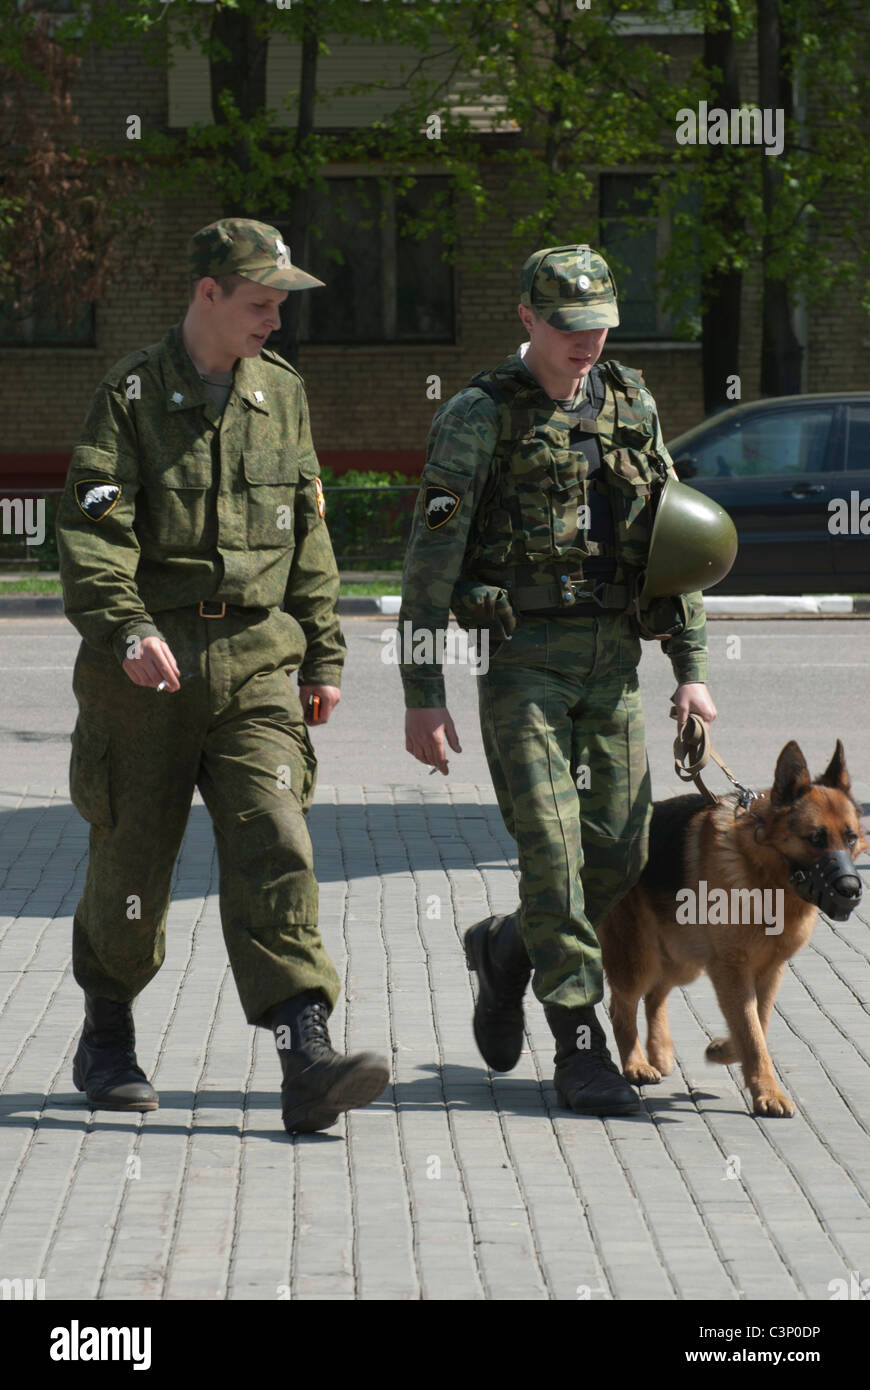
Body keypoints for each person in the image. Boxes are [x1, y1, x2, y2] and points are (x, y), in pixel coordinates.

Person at [56, 217, 389, 1134]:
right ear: (207, 294)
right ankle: (107, 1035)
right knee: (133, 861)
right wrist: (125, 629)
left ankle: (305, 1052)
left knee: (275, 840)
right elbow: (92, 533)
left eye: (280, 305)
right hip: (147, 671)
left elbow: (310, 531)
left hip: (256, 663)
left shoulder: (282, 394)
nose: (275, 321)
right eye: (260, 304)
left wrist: (322, 650)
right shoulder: (128, 394)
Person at [399, 244, 723, 1115]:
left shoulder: (628, 399)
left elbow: (668, 543)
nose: (589, 341)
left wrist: (691, 670)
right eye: (571, 326)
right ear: (529, 321)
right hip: (523, 666)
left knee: (617, 853)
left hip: (613, 661)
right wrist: (422, 693)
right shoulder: (478, 415)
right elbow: (430, 565)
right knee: (551, 851)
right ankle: (580, 1046)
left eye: (601, 323)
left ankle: (505, 949)